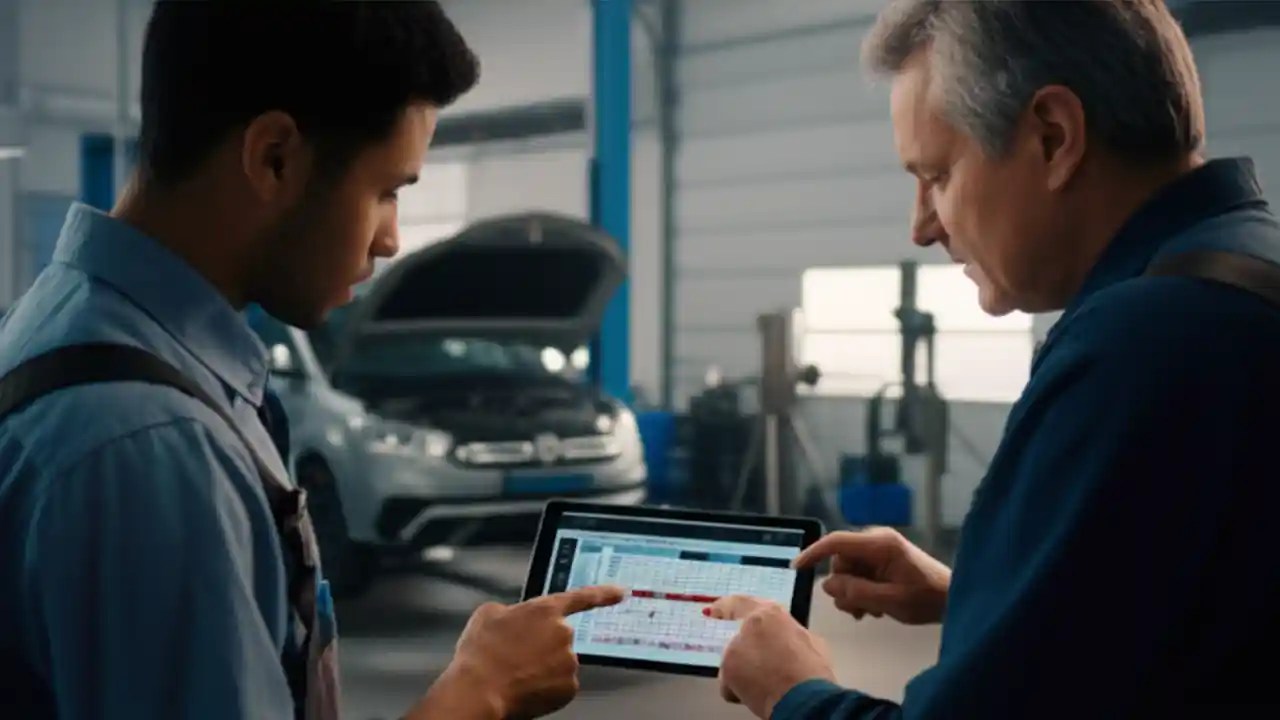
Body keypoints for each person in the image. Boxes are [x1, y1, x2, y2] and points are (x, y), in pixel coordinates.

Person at [0, 2, 622, 719]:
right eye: (387, 190)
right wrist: (476, 694)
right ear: (275, 158)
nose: (391, 239)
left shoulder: (67, 324)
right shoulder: (153, 449)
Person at [708, 1, 1280, 717]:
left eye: (938, 175)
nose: (920, 226)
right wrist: (986, 592)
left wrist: (791, 690)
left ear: (1053, 136)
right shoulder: (1243, 276)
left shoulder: (1146, 344)